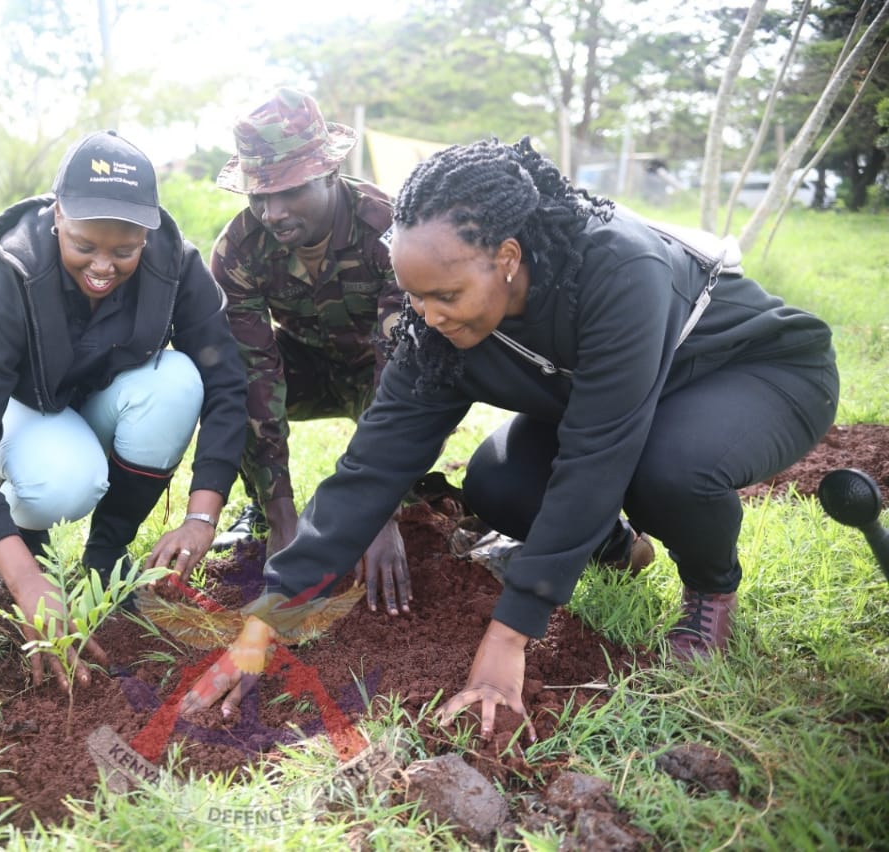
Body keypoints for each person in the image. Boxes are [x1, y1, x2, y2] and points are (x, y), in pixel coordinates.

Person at [180, 137, 839, 735]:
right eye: (415, 300)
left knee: (664, 468)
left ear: (507, 258)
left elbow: (597, 453)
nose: (429, 318)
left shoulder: (618, 269)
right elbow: (371, 467)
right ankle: (612, 546)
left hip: (751, 372)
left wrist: (508, 637)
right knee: (498, 482)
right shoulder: (433, 326)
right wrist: (265, 624)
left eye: (446, 295)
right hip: (610, 400)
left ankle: (709, 593)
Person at [0, 130, 248, 689]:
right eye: (84, 246)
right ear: (57, 217)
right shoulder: (13, 274)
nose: (103, 266)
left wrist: (202, 516)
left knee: (176, 381)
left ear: (147, 233)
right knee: (62, 483)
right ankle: (29, 552)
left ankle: (106, 559)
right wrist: (28, 582)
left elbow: (226, 383)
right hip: (26, 412)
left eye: (124, 251)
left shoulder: (174, 263)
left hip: (97, 405)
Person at [209, 87, 410, 615]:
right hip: (304, 367)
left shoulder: (390, 229)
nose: (272, 213)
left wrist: (378, 513)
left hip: (380, 371)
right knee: (224, 377)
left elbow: (401, 367)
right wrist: (282, 520)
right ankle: (259, 509)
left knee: (415, 376)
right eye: (259, 196)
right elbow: (254, 373)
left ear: (328, 173)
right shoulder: (239, 250)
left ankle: (416, 501)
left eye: (288, 192)